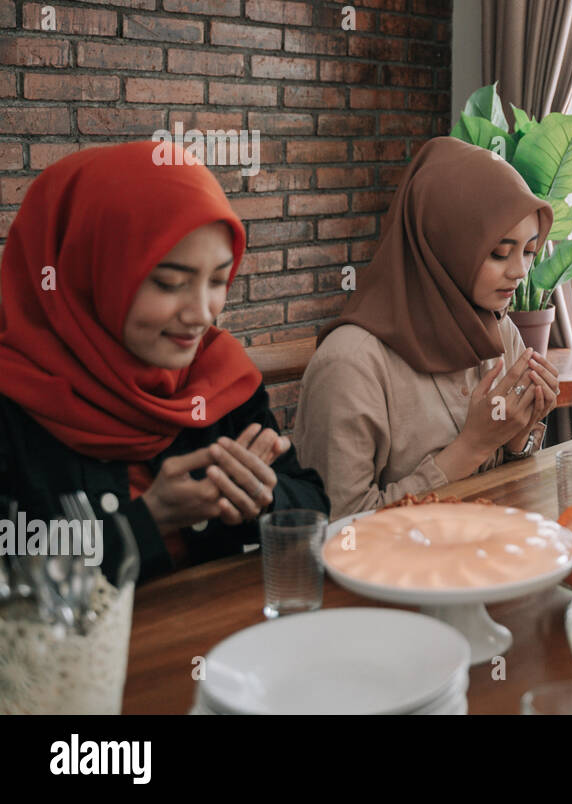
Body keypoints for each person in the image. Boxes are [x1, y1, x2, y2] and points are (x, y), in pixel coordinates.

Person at [0, 142, 328, 585]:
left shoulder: (218, 375)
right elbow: (13, 578)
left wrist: (264, 495)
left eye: (218, 280)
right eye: (170, 283)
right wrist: (148, 520)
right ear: (85, 271)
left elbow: (314, 505)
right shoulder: (14, 400)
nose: (202, 313)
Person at [294, 137, 562, 519]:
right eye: (500, 252)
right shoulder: (349, 365)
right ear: (443, 245)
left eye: (530, 251)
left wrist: (518, 435)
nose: (520, 271)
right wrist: (470, 447)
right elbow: (340, 530)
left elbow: (508, 488)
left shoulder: (500, 332)